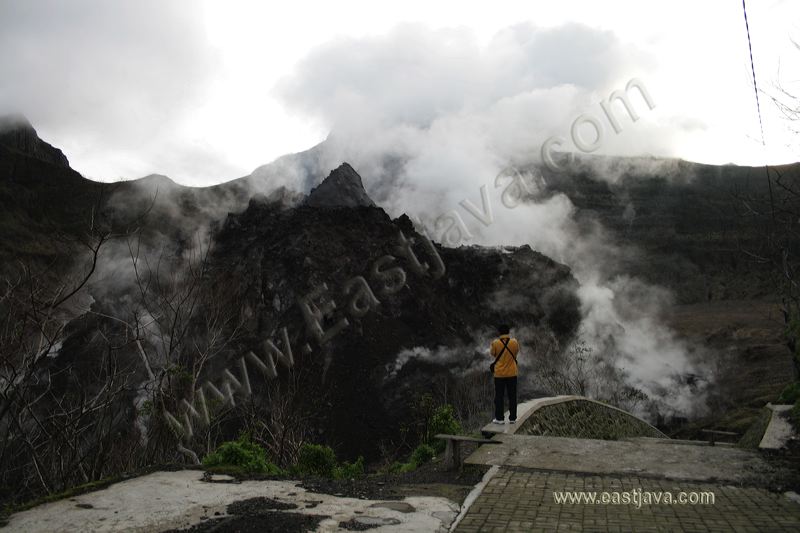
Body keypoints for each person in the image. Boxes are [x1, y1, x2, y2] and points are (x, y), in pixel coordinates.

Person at [489, 324, 520, 424]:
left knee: (499, 396)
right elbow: (516, 352)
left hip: (499, 374)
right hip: (512, 373)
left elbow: (492, 354)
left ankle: (500, 418)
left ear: (499, 333)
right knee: (512, 396)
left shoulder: (495, 343)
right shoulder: (514, 342)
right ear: (508, 332)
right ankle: (512, 418)